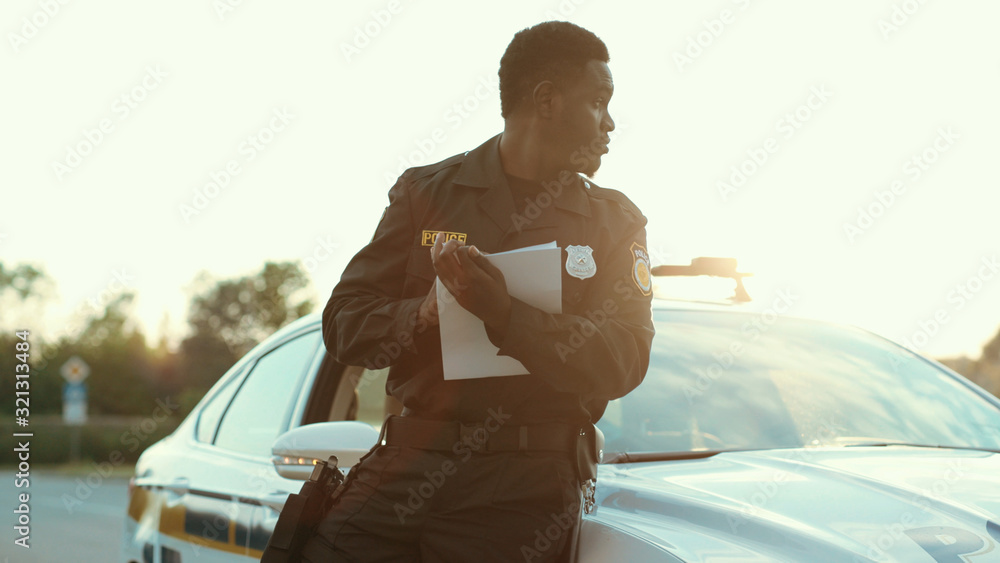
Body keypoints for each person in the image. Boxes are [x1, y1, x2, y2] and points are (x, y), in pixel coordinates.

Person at [301, 20, 655, 562]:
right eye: (598, 103)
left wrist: (507, 315)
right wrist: (421, 315)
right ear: (546, 100)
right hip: (404, 464)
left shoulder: (613, 223)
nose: (610, 124)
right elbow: (343, 322)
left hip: (522, 485)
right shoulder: (425, 193)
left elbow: (625, 360)